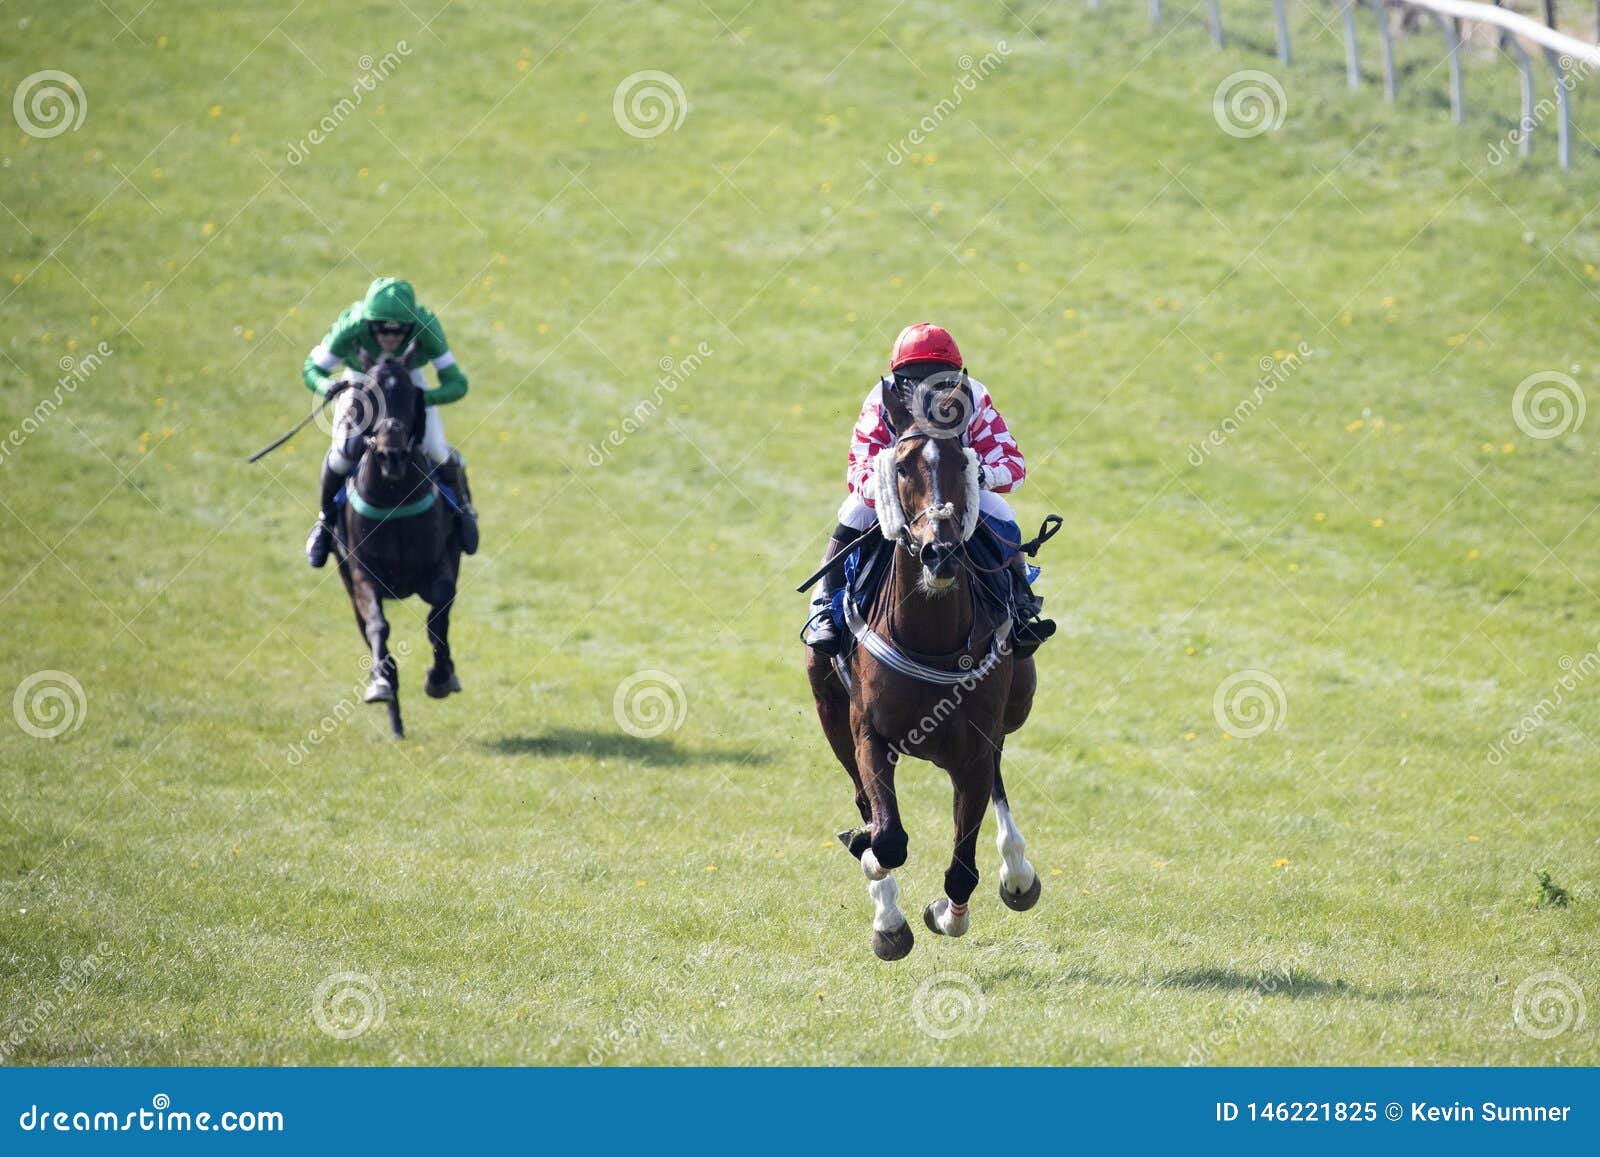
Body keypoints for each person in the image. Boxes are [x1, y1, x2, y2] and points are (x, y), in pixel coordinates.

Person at [802, 322, 1054, 656]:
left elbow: (1013, 465)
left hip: (957, 489)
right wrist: (893, 491)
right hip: (900, 493)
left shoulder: (975, 397)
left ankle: (1021, 607)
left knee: (1003, 513)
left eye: (936, 378)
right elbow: (858, 469)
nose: (926, 389)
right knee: (852, 512)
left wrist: (978, 476)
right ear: (899, 379)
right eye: (916, 379)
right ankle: (823, 608)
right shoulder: (880, 401)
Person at [301, 277, 478, 567]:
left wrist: (418, 398)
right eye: (382, 329)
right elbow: (312, 369)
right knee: (343, 454)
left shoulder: (427, 327)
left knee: (435, 448)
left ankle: (462, 509)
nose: (391, 338)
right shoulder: (351, 326)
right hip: (361, 381)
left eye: (399, 331)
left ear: (412, 325)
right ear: (369, 324)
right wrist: (327, 386)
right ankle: (325, 521)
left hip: (407, 381)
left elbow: (458, 383)